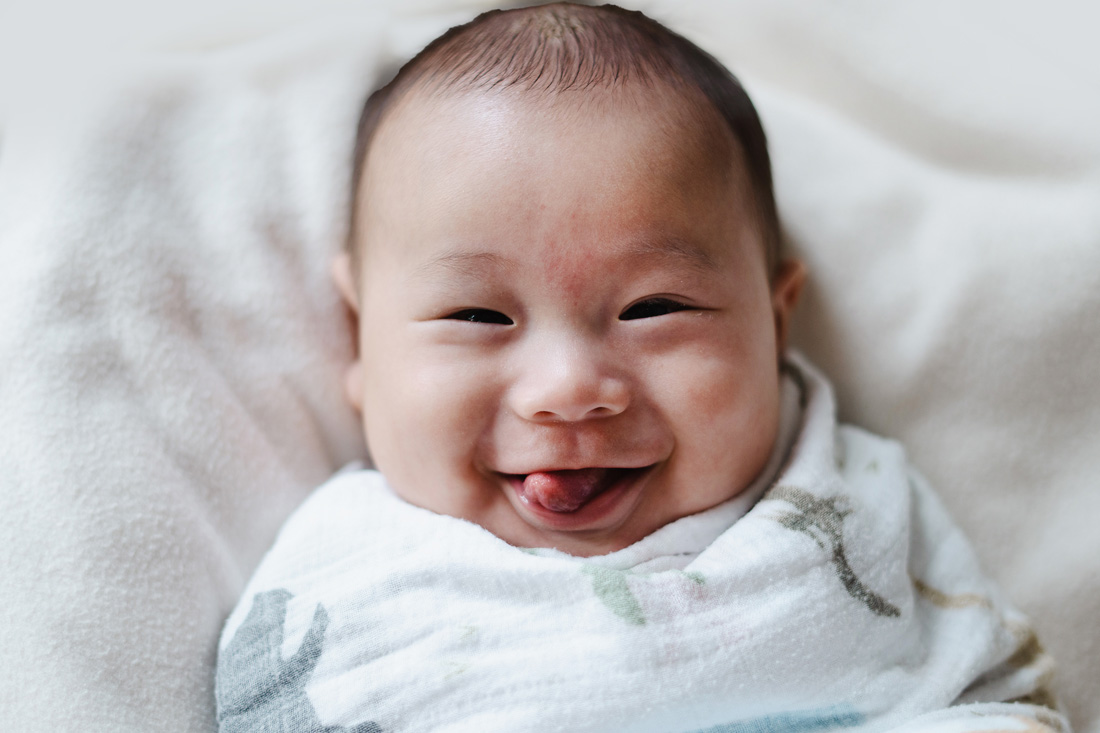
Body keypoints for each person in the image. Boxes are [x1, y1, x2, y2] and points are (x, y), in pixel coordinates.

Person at [215, 5, 1067, 731]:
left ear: (775, 322)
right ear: (363, 341)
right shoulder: (354, 573)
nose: (568, 391)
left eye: (653, 309)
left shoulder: (851, 501)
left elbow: (994, 694)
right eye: (477, 316)